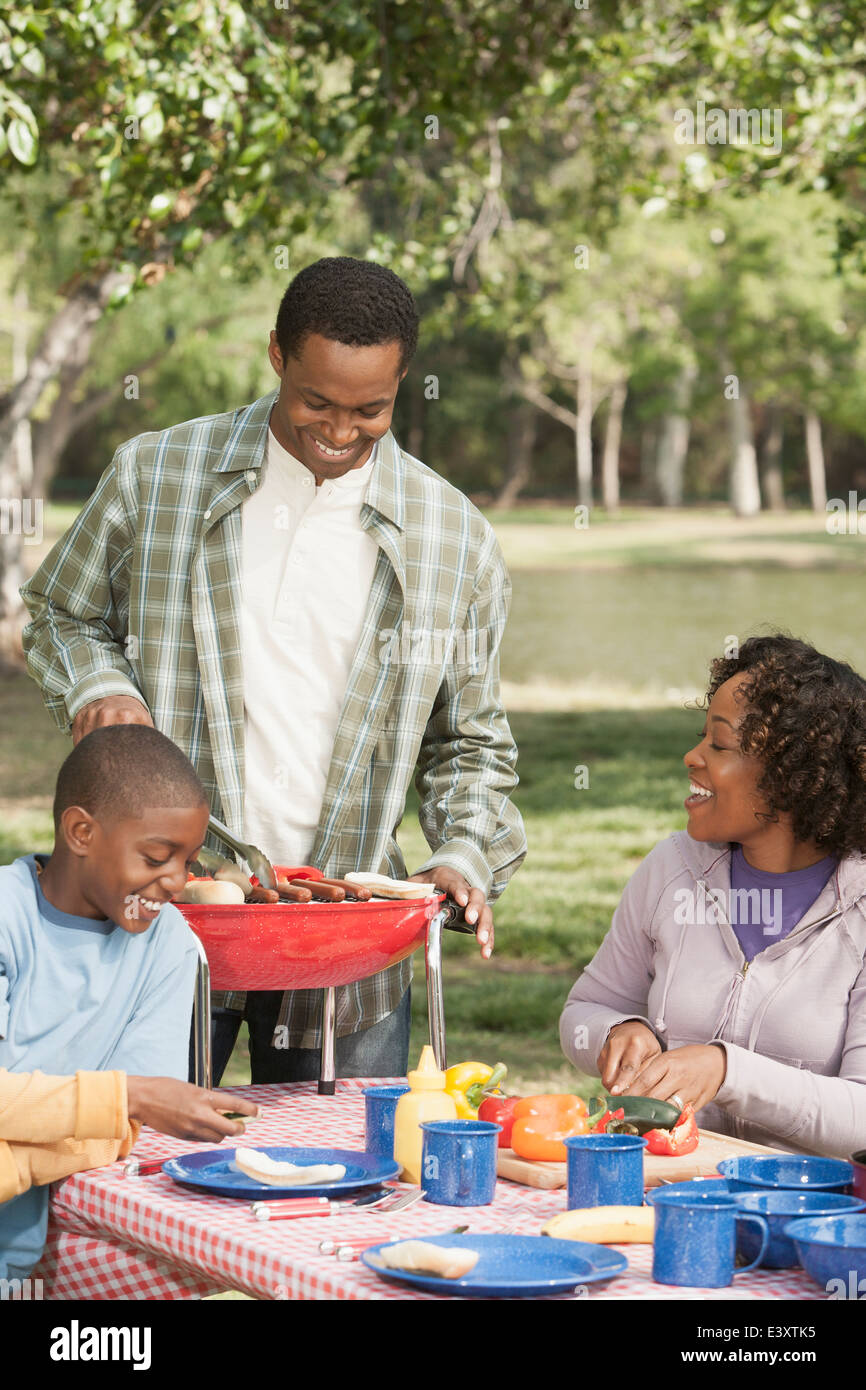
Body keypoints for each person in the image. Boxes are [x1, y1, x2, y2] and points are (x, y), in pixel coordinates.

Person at [21, 256, 526, 1085]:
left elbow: (469, 745)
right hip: (167, 919)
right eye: (315, 401)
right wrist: (100, 686)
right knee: (133, 1171)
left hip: (347, 941)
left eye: (371, 408)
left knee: (341, 1195)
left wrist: (464, 855)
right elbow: (57, 612)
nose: (338, 429)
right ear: (276, 357)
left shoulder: (454, 539)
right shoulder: (156, 476)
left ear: (403, 383)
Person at [560, 634, 866, 1158]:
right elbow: (585, 1010)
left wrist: (727, 1072)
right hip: (662, 1187)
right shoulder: (672, 869)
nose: (692, 757)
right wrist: (617, 1031)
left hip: (810, 1218)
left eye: (719, 746)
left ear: (794, 779)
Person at [0, 725, 256, 1280]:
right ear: (81, 832)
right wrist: (123, 1098)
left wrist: (13, 1163)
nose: (177, 881)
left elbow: (128, 1128)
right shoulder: (5, 917)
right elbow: (133, 1101)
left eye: (187, 860)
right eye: (157, 856)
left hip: (16, 1265)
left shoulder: (169, 943)